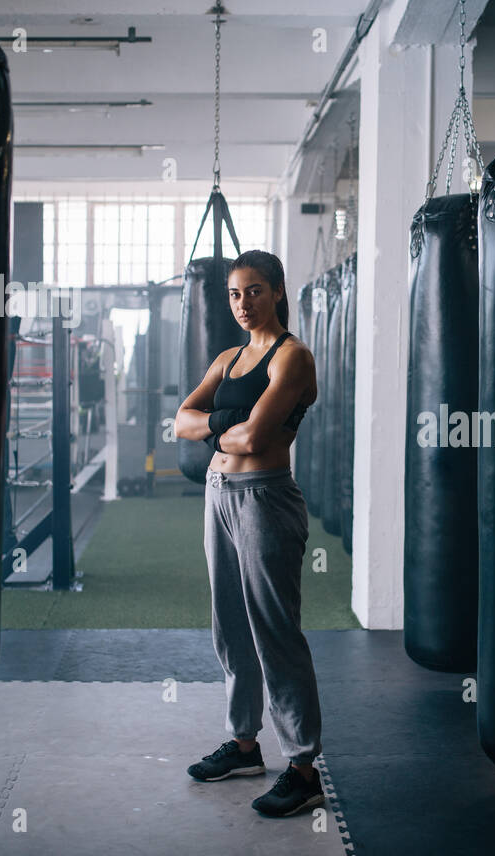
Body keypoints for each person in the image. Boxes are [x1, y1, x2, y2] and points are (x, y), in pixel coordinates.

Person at [174, 249, 324, 817]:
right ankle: (243, 744)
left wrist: (212, 430)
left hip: (264, 499)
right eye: (236, 293)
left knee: (275, 632)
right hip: (218, 498)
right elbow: (181, 419)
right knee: (231, 627)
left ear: (279, 291)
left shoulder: (294, 358)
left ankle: (303, 767)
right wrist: (220, 428)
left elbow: (258, 439)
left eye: (256, 291)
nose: (244, 303)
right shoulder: (229, 357)